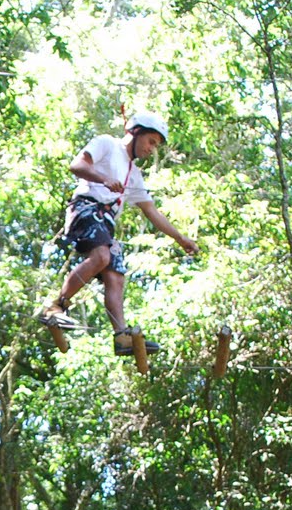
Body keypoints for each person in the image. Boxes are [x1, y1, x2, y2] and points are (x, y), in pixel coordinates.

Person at [37, 112, 199, 356]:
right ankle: (56, 306)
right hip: (86, 208)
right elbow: (77, 165)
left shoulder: (134, 174)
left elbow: (151, 211)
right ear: (136, 132)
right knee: (101, 257)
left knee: (115, 275)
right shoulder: (107, 144)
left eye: (155, 145)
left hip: (107, 222)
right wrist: (104, 179)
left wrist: (180, 238)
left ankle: (122, 336)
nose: (151, 149)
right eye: (150, 141)